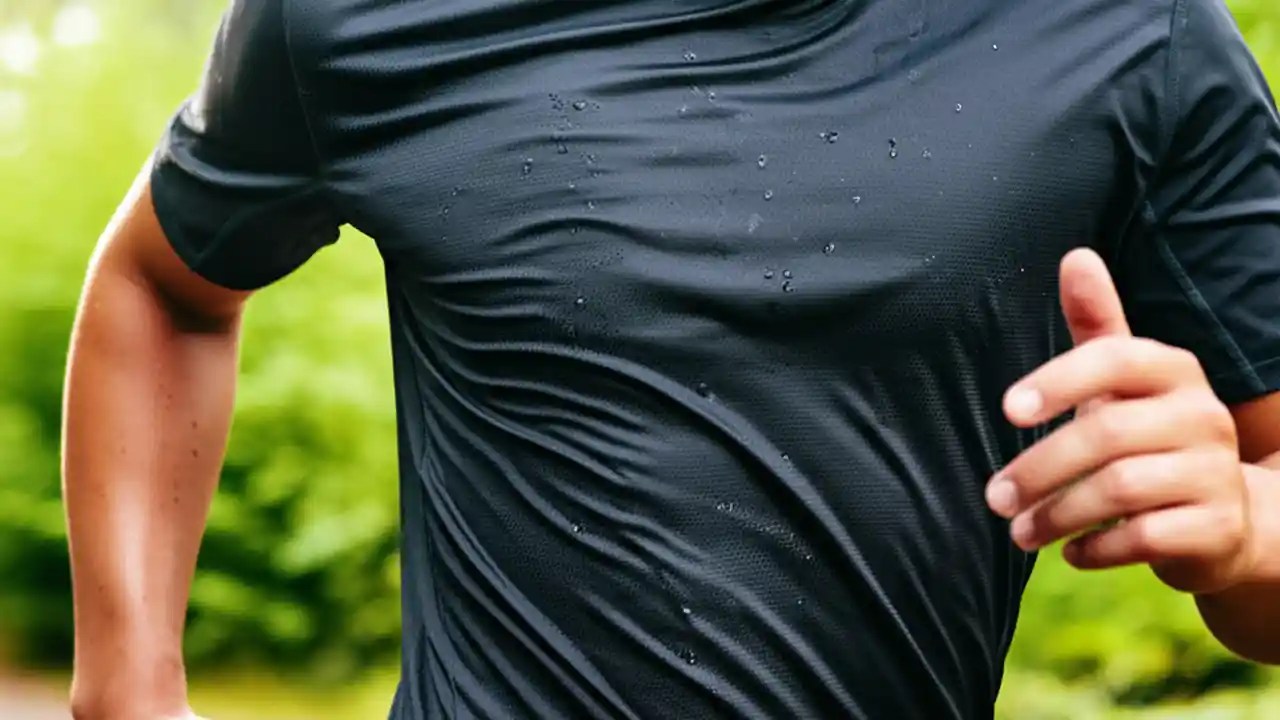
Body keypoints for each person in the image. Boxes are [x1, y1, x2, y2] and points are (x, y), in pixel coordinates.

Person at [62, 0, 1280, 718]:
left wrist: (1236, 525)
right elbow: (163, 284)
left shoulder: (1136, 33)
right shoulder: (361, 20)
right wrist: (126, 681)